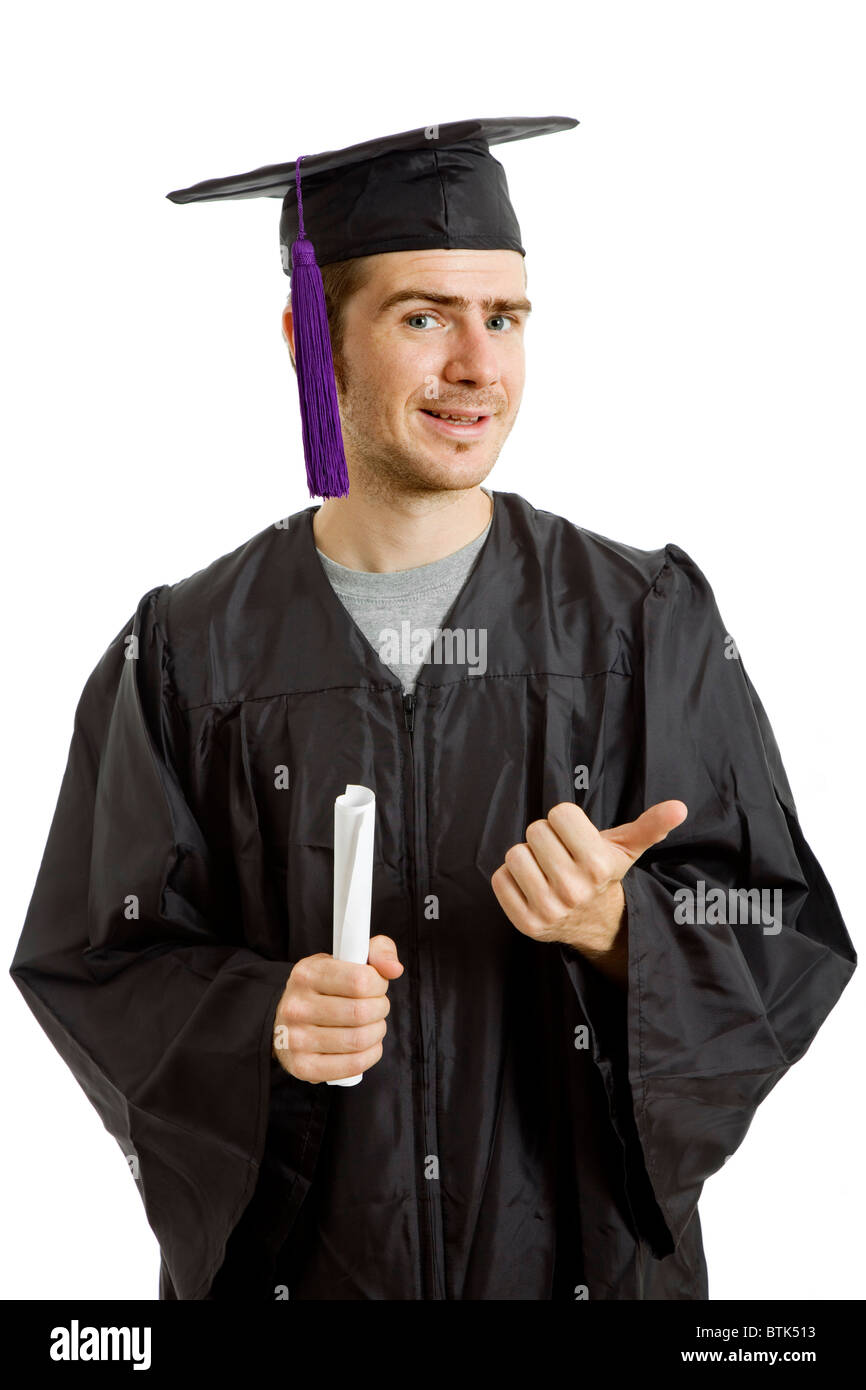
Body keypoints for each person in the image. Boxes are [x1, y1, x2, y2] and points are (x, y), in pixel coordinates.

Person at [10, 117, 856, 1301]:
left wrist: (621, 934)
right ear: (314, 342)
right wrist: (259, 1018)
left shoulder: (641, 622)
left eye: (502, 318)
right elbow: (92, 957)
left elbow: (780, 924)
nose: (476, 366)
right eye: (423, 317)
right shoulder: (184, 653)